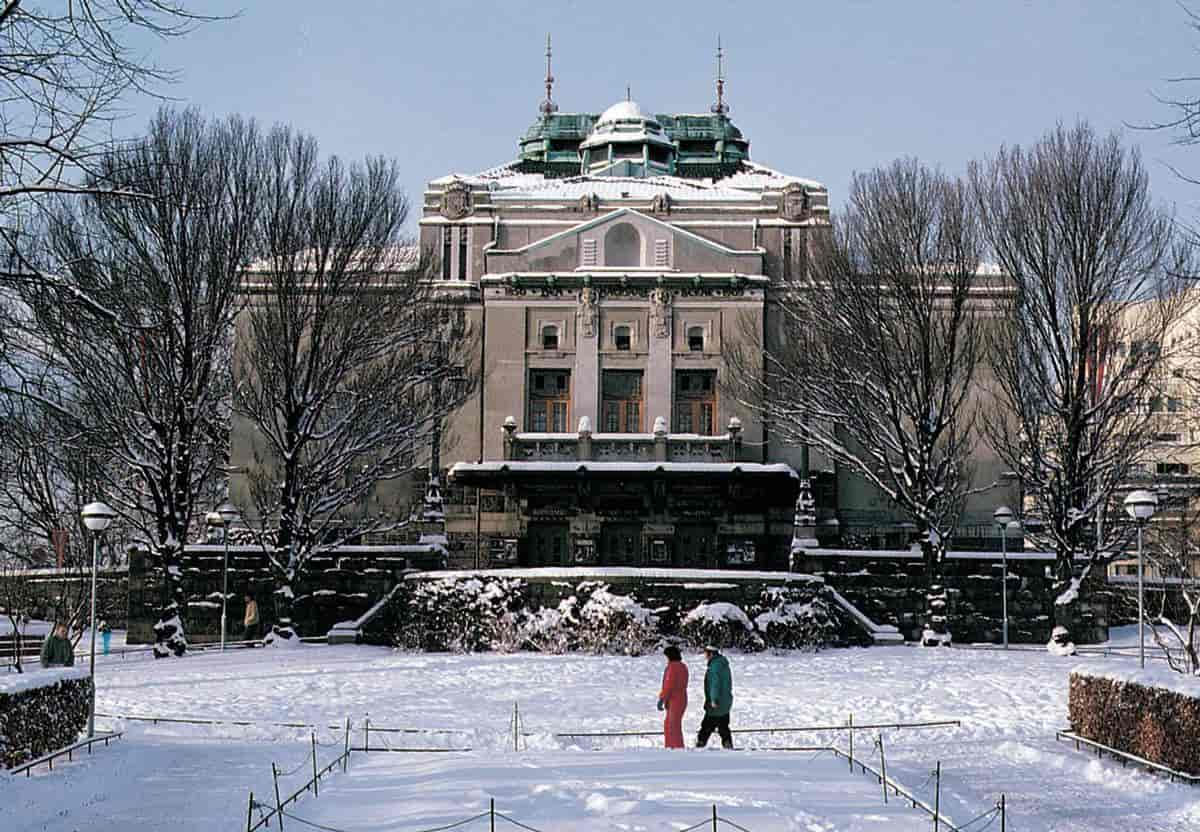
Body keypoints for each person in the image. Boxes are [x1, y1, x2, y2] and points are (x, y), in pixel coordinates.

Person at [696, 644, 733, 749]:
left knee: (706, 726)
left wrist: (713, 699)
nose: (705, 656)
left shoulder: (715, 666)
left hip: (716, 703)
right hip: (725, 701)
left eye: (706, 653)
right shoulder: (723, 664)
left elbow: (714, 684)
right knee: (723, 726)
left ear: (711, 654)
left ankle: (700, 745)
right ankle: (728, 745)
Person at [657, 645, 689, 749]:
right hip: (681, 699)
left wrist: (662, 698)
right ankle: (672, 746)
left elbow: (669, 685)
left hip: (674, 700)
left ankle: (675, 748)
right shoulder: (683, 666)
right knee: (671, 725)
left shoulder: (672, 667)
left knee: (672, 726)